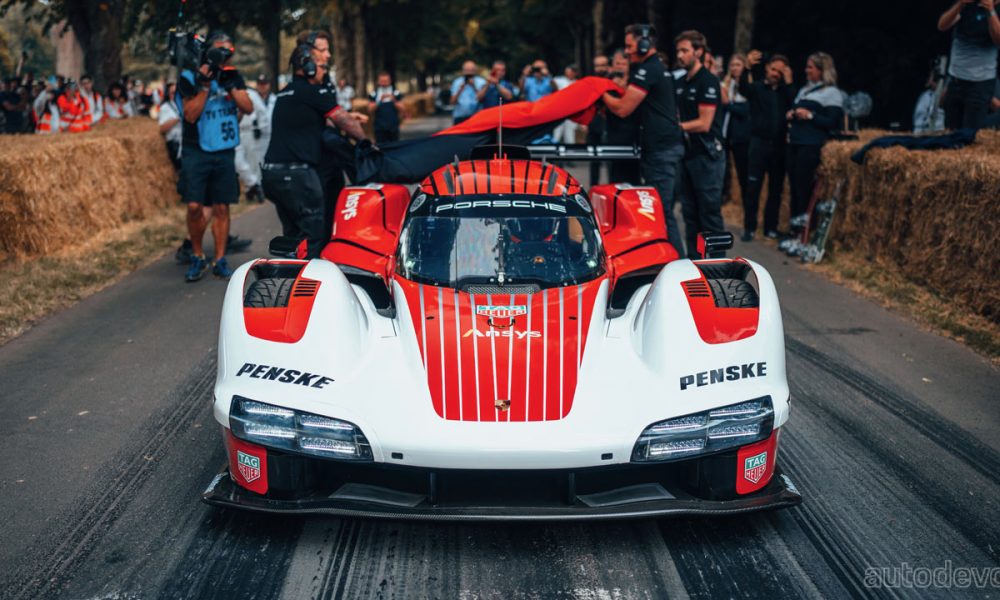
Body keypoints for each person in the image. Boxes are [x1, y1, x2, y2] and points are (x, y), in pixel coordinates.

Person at [262, 37, 370, 259]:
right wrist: (366, 144)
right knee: (313, 236)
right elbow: (344, 121)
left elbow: (311, 121)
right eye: (321, 66)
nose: (324, 71)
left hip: (273, 174)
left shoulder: (286, 93)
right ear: (308, 68)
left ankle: (288, 282)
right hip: (299, 176)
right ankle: (309, 286)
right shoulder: (313, 92)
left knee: (292, 237)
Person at [601, 24, 685, 257]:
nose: (627, 51)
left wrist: (600, 91)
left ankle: (679, 264)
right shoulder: (653, 68)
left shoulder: (648, 69)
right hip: (660, 149)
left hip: (661, 151)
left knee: (662, 211)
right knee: (660, 210)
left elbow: (623, 108)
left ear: (645, 43)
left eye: (629, 45)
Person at [176, 32, 254, 282]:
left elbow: (248, 107)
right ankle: (197, 255)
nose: (223, 55)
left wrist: (229, 84)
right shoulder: (189, 78)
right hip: (196, 150)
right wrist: (206, 85)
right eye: (218, 51)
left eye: (227, 52)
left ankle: (220, 258)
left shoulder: (231, 74)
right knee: (194, 206)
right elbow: (190, 114)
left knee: (221, 206)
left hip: (223, 149)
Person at [674, 30, 726, 258]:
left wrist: (675, 127)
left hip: (707, 155)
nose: (680, 55)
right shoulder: (679, 82)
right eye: (678, 51)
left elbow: (704, 123)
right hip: (687, 154)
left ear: (699, 52)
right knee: (689, 213)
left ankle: (718, 265)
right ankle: (694, 264)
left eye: (685, 50)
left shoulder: (708, 81)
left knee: (709, 213)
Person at [740, 51, 795, 240]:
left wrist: (789, 82)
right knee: (753, 187)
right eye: (773, 69)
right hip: (758, 143)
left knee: (776, 189)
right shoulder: (756, 88)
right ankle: (749, 227)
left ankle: (770, 227)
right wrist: (747, 66)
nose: (775, 74)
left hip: (779, 146)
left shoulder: (785, 92)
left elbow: (794, 103)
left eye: (779, 72)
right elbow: (743, 88)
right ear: (766, 68)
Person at [786, 52, 844, 228]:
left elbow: (832, 122)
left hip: (810, 144)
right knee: (794, 188)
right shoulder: (804, 90)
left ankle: (804, 231)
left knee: (804, 188)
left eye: (810, 67)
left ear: (821, 70)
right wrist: (792, 114)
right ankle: (794, 228)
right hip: (794, 142)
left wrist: (810, 115)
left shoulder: (832, 93)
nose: (806, 70)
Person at [938, 0, 1000, 130]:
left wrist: (990, 11)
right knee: (951, 130)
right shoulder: (967, 6)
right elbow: (942, 25)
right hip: (956, 79)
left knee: (970, 133)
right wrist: (960, 4)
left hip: (981, 83)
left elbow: (998, 39)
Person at [235, 74, 273, 202]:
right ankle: (253, 185)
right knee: (238, 162)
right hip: (239, 132)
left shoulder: (253, 96)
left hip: (254, 132)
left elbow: (260, 115)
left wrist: (258, 126)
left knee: (256, 163)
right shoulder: (239, 94)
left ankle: (254, 190)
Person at [721, 53, 751, 214]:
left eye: (738, 65)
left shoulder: (748, 85)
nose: (734, 68)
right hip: (726, 133)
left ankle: (747, 208)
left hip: (741, 135)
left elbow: (747, 110)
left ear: (744, 67)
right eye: (732, 65)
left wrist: (728, 104)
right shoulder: (727, 84)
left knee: (743, 172)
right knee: (724, 170)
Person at [587, 55, 611, 185]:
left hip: (608, 125)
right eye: (597, 65)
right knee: (593, 160)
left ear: (608, 66)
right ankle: (593, 188)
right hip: (593, 124)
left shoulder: (613, 81)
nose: (600, 68)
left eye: (603, 65)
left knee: (609, 160)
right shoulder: (590, 82)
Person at [368, 71, 405, 143]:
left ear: (390, 81)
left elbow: (403, 109)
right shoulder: (374, 94)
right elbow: (369, 110)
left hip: (393, 126)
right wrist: (379, 101)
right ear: (378, 82)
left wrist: (393, 100)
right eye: (382, 81)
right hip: (379, 126)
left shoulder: (395, 92)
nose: (384, 83)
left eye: (386, 81)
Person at [158, 81, 182, 171]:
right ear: (168, 94)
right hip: (175, 143)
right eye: (172, 93)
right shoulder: (165, 107)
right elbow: (162, 128)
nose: (175, 95)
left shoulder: (183, 104)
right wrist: (177, 119)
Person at [552, 65, 580, 143]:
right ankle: (554, 154)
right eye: (569, 70)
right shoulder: (559, 80)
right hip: (559, 112)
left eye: (573, 71)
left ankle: (570, 154)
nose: (571, 73)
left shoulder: (578, 83)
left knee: (570, 137)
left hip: (571, 113)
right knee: (557, 135)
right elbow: (551, 83)